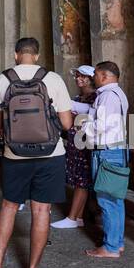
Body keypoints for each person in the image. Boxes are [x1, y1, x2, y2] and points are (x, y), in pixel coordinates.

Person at [0, 37, 75, 268]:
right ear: (36, 56)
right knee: (41, 210)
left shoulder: (3, 79)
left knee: (8, 207)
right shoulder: (53, 79)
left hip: (14, 154)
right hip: (50, 155)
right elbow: (67, 124)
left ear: (16, 55)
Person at [79, 60, 130, 259]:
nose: (94, 78)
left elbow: (103, 125)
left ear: (105, 76)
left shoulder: (108, 96)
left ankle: (110, 247)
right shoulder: (115, 94)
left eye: (96, 75)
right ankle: (117, 242)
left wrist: (84, 128)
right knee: (115, 200)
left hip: (107, 151)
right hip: (114, 150)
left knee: (107, 200)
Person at [52, 65, 97, 229]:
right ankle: (77, 217)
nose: (78, 79)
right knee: (78, 179)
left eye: (82, 76)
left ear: (91, 79)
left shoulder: (95, 98)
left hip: (85, 144)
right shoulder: (78, 98)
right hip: (74, 144)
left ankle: (72, 217)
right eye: (77, 76)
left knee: (82, 181)